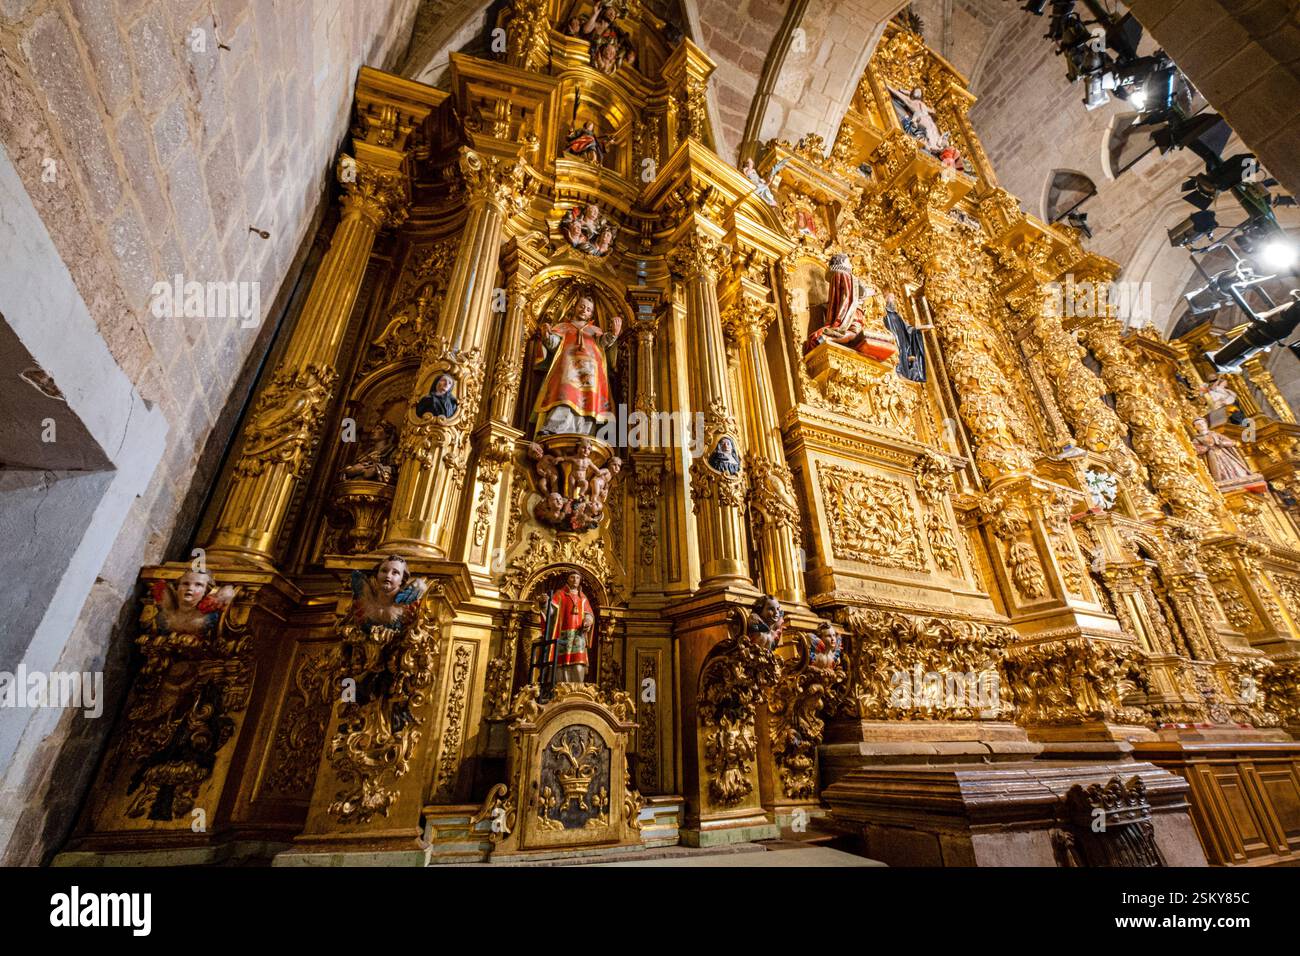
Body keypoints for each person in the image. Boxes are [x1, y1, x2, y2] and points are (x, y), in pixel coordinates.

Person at [532, 295, 620, 436]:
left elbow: (604, 342)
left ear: (591, 314)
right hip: (568, 368)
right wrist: (547, 335)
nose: (584, 310)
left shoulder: (595, 330)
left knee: (589, 400)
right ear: (575, 307)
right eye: (582, 306)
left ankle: (586, 434)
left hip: (590, 373)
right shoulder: (562, 327)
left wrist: (614, 334)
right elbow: (554, 345)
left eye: (588, 309)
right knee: (564, 394)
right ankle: (554, 428)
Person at [540, 571, 596, 685]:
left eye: (577, 578)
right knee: (559, 663)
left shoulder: (583, 598)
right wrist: (544, 603)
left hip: (578, 636)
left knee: (578, 662)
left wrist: (588, 621)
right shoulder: (559, 595)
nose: (575, 580)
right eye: (572, 577)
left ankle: (576, 688)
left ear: (580, 580)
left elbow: (589, 613)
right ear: (568, 579)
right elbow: (550, 613)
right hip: (561, 635)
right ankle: (558, 688)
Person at [1192, 417, 1257, 485]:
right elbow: (1196, 450)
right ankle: (1224, 481)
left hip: (1224, 454)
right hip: (1212, 456)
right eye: (1198, 424)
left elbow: (1230, 441)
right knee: (1218, 471)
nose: (1202, 425)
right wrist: (1207, 447)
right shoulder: (1197, 439)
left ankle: (1240, 477)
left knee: (1234, 467)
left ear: (1206, 424)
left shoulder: (1215, 434)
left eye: (1203, 423)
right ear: (1195, 427)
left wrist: (1221, 443)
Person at [883, 292, 930, 382]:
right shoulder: (883, 313)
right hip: (890, 337)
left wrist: (919, 330)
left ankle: (901, 372)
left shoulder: (898, 316)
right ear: (885, 299)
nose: (892, 301)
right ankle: (896, 371)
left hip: (901, 340)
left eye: (893, 299)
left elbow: (908, 329)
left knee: (901, 353)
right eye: (890, 298)